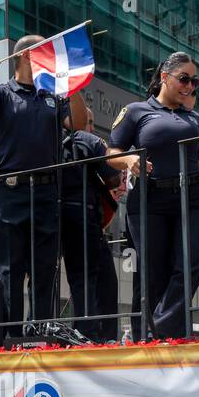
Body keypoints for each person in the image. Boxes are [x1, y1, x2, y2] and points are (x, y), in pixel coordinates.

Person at [106, 52, 199, 340]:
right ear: (165, 76)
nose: (190, 86)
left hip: (191, 197)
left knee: (192, 263)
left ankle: (160, 328)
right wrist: (129, 161)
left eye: (194, 81)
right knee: (154, 272)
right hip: (150, 199)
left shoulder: (194, 118)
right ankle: (160, 337)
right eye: (184, 79)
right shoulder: (137, 111)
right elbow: (112, 153)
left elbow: (195, 163)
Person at [0, 36, 88, 326]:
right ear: (27, 57)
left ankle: (41, 332)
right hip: (7, 194)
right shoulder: (2, 92)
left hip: (45, 193)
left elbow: (80, 123)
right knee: (9, 270)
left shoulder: (53, 96)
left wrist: (72, 86)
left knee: (44, 269)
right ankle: (11, 338)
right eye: (46, 52)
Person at [60, 106, 123, 342]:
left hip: (61, 218)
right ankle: (96, 335)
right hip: (84, 218)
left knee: (79, 279)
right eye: (89, 122)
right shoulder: (86, 141)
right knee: (98, 280)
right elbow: (114, 177)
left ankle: (86, 331)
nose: (92, 128)